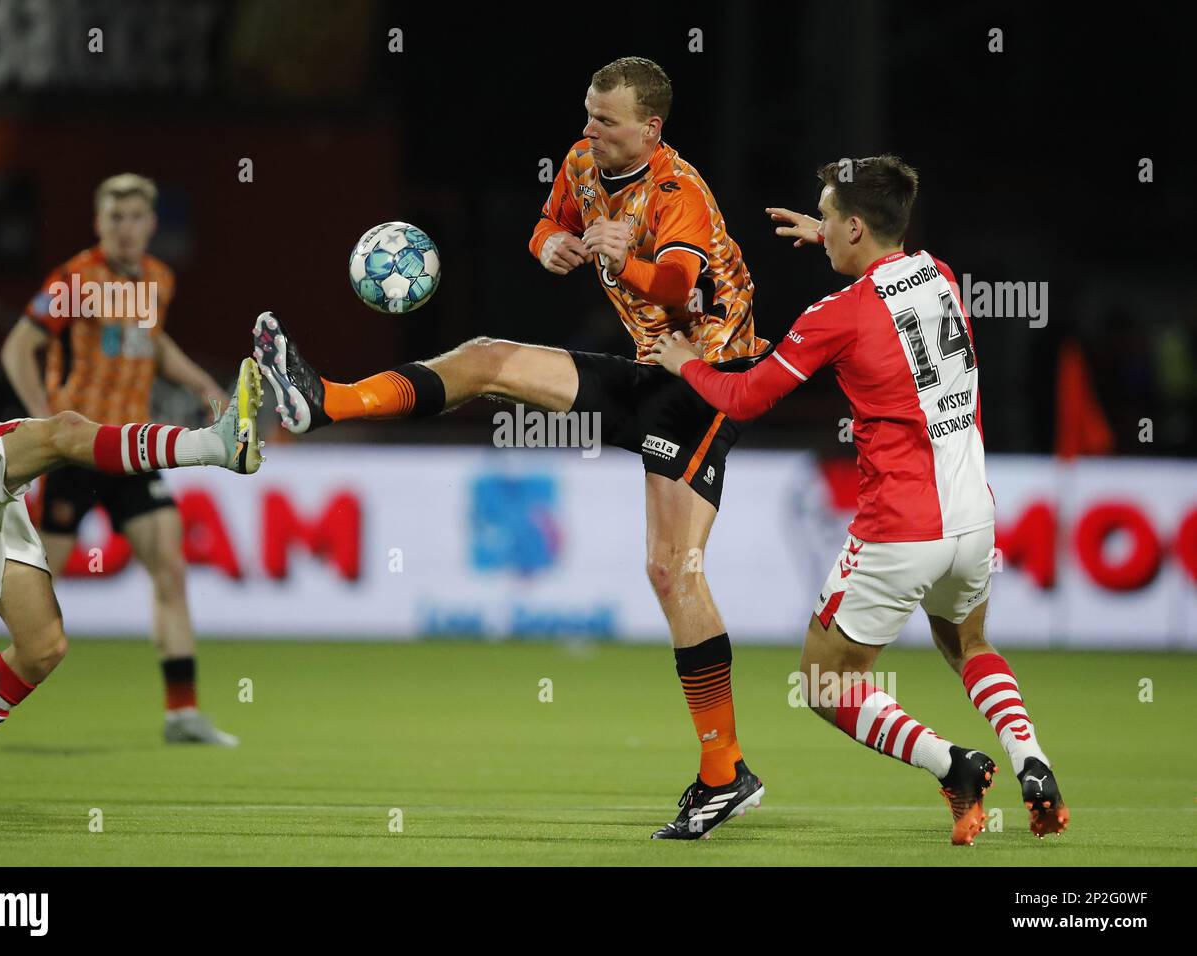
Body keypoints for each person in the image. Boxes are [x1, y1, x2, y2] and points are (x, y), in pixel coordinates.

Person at [252, 56, 769, 839]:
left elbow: (669, 286)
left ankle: (724, 773)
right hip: (643, 371)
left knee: (671, 570)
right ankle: (327, 401)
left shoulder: (678, 191)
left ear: (651, 128)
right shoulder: (581, 161)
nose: (589, 129)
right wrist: (548, 249)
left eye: (607, 120)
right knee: (486, 358)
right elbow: (545, 224)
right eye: (588, 112)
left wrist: (608, 254)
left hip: (704, 382)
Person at [651, 155, 1069, 844]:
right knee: (968, 642)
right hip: (973, 520)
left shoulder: (834, 317)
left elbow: (746, 397)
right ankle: (1033, 760)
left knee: (825, 684)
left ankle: (953, 763)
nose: (818, 227)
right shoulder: (940, 276)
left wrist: (683, 363)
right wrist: (832, 233)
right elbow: (888, 279)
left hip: (900, 530)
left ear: (853, 227)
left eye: (828, 217)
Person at [0, 172, 262, 830]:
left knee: (44, 646)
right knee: (66, 428)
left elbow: (154, 341)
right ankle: (214, 446)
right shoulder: (71, 279)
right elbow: (21, 347)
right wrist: (39, 425)